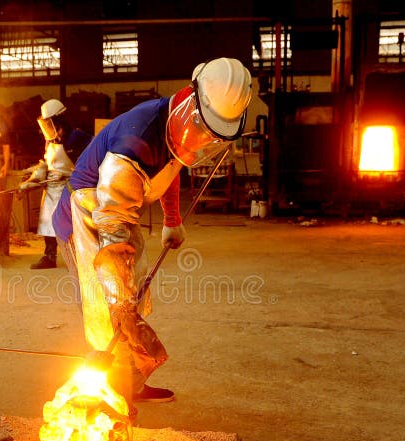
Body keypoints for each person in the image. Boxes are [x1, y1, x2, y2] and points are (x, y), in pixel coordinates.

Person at [52, 57, 253, 404]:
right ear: (191, 100)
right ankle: (111, 396)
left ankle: (131, 385)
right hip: (86, 217)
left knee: (135, 300)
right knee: (107, 311)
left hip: (120, 213)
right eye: (204, 129)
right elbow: (112, 234)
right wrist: (118, 300)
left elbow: (168, 170)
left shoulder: (173, 127)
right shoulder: (134, 145)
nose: (203, 139)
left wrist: (172, 220)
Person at [20, 99, 92, 269]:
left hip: (70, 186)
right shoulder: (50, 141)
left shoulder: (77, 138)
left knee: (72, 223)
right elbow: (46, 164)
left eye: (50, 123)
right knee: (47, 221)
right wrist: (32, 180)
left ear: (60, 120)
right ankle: (49, 256)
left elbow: (88, 163)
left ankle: (79, 256)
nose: (48, 128)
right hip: (52, 187)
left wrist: (73, 179)